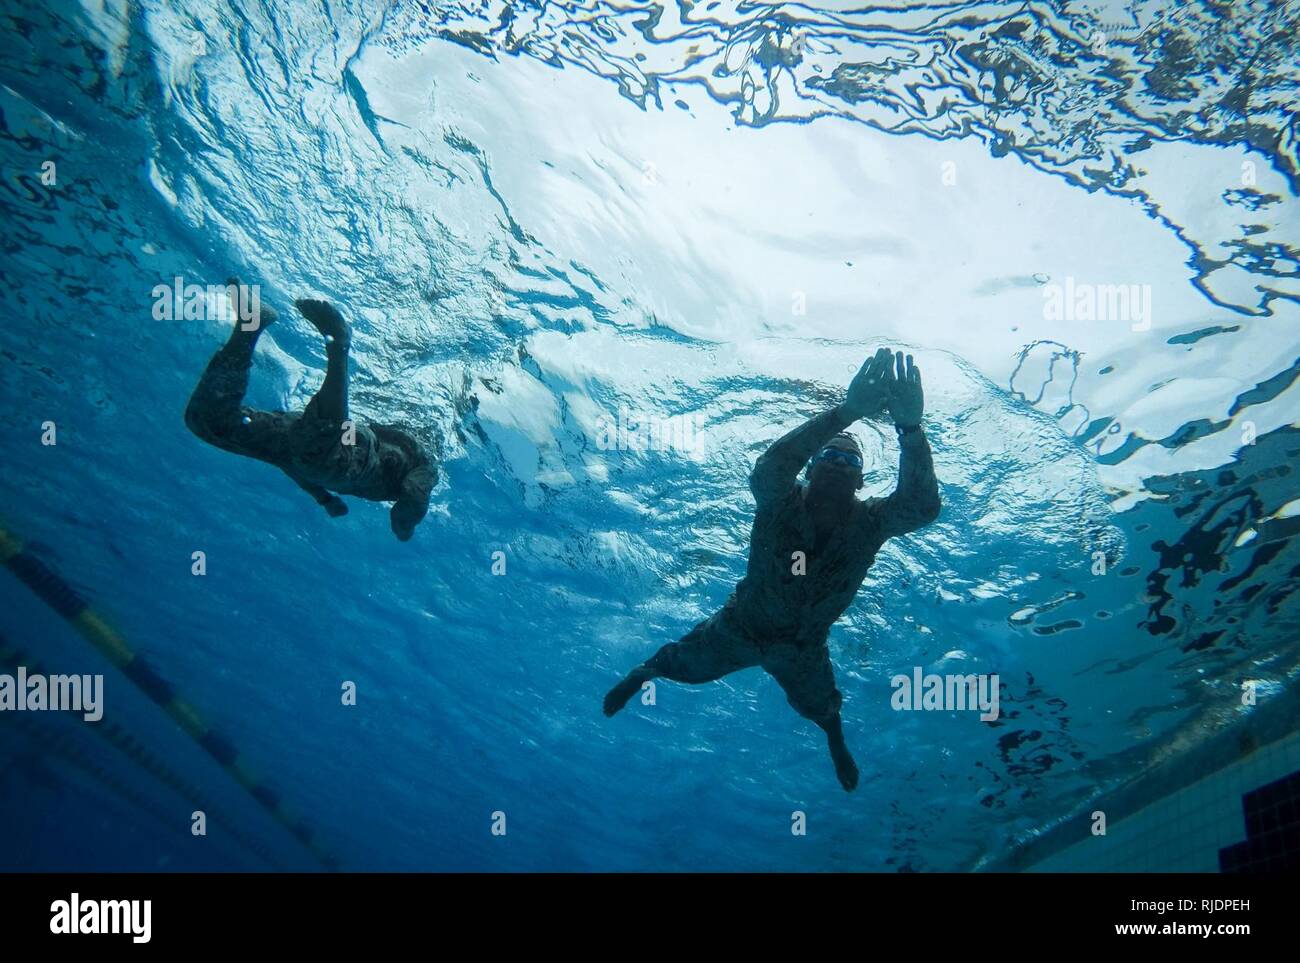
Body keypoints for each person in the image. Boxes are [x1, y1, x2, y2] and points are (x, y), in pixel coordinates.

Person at [604, 348, 940, 790]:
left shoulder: (871, 522)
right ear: (811, 469)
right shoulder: (779, 498)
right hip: (741, 625)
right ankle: (642, 674)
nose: (839, 463)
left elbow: (922, 507)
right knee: (684, 665)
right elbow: (771, 467)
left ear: (860, 481)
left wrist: (911, 429)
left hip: (802, 648)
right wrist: (846, 413)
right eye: (830, 457)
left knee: (822, 707)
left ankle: (835, 738)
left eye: (850, 461)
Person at [184, 282, 437, 541]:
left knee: (209, 421)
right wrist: (405, 528)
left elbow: (291, 460)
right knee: (318, 457)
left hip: (319, 443)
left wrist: (323, 498)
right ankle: (338, 344)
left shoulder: (326, 462)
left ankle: (250, 325)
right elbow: (413, 493)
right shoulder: (427, 464)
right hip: (352, 445)